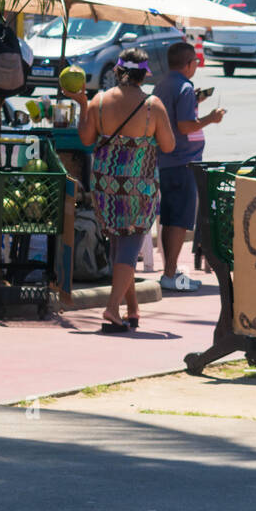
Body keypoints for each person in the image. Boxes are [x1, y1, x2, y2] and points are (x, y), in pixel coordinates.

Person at [63, 47, 176, 332]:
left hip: (105, 186)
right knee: (129, 246)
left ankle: (133, 309)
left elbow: (86, 139)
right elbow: (169, 146)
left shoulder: (99, 101)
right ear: (142, 75)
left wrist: (82, 104)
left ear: (116, 71)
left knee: (117, 244)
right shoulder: (153, 105)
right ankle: (113, 309)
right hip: (138, 187)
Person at [152, 40, 226, 291]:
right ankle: (170, 273)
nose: (196, 65)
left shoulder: (163, 85)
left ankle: (168, 272)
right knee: (180, 221)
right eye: (195, 61)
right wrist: (211, 119)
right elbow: (185, 125)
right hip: (183, 161)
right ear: (187, 64)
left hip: (167, 160)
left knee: (170, 218)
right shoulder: (184, 87)